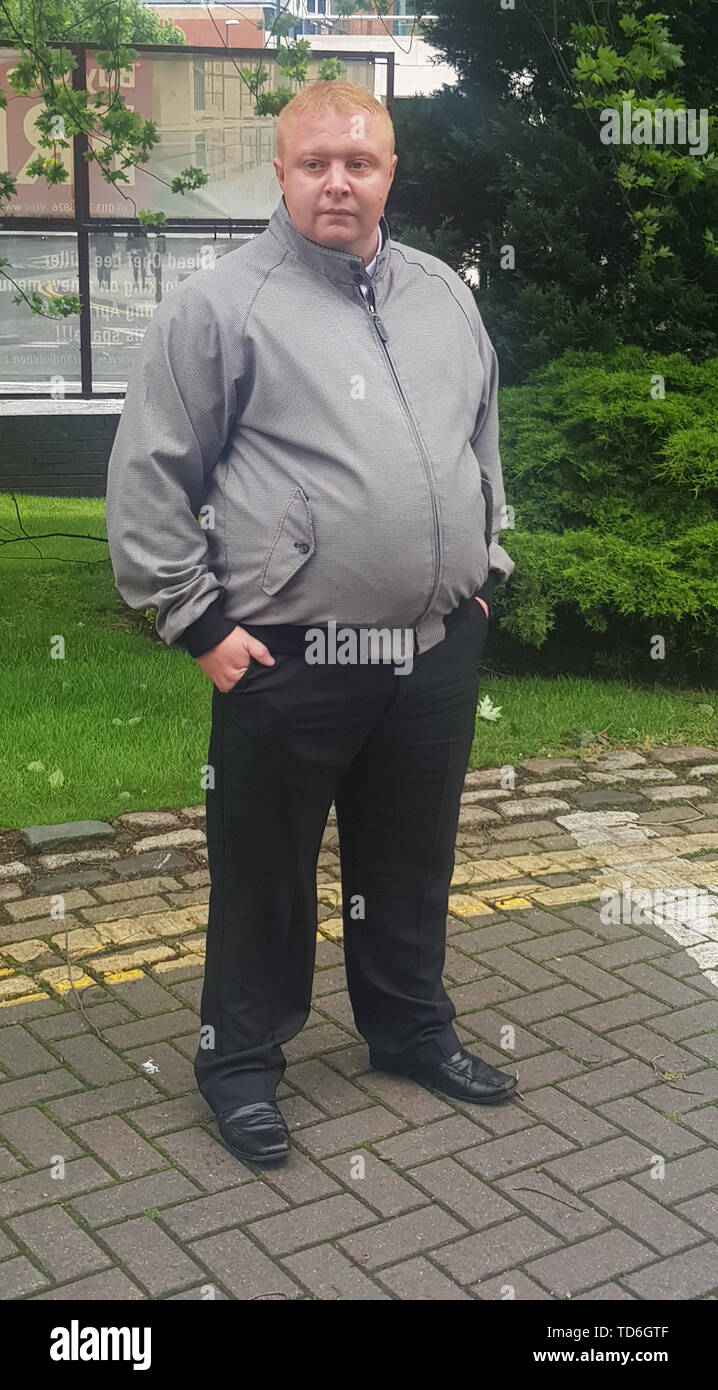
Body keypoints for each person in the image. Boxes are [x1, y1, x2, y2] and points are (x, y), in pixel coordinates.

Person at [105, 80, 517, 1168]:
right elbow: (149, 476)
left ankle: (409, 1030)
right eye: (315, 162)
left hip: (430, 648)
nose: (339, 180)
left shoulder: (443, 295)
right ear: (279, 173)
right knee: (267, 876)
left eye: (361, 161)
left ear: (391, 171)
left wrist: (487, 567)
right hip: (287, 655)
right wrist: (195, 623)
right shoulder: (221, 306)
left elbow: (481, 439)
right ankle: (239, 1066)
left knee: (410, 859)